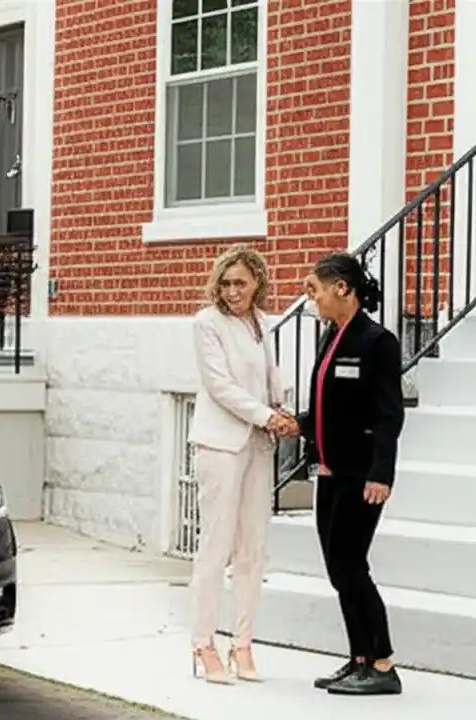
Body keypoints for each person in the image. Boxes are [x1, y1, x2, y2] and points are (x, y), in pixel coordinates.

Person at [294, 252, 405, 696]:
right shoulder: (331, 337)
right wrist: (300, 425)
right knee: (338, 567)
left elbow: (387, 414)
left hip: (363, 473)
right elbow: (331, 405)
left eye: (314, 289)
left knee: (352, 565)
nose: (311, 299)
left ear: (342, 288)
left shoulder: (378, 341)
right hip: (331, 469)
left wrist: (382, 473)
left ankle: (382, 663)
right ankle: (359, 658)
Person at [186, 245, 295, 685]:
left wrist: (282, 405)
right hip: (219, 444)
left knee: (254, 549)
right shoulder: (206, 323)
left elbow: (271, 375)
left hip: (257, 445)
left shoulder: (263, 324)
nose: (232, 291)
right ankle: (202, 644)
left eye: (241, 283)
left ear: (257, 284)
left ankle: (243, 644)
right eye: (226, 283)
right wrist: (267, 415)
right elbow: (220, 385)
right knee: (216, 548)